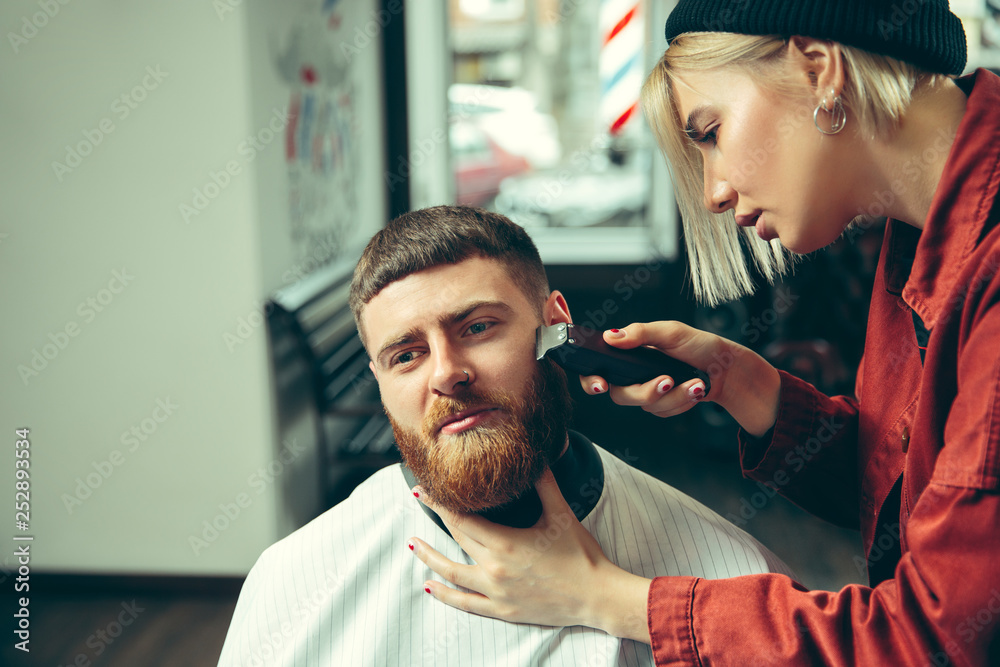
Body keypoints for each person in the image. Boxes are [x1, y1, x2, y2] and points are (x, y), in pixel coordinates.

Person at [409, 1, 1000, 666]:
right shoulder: (913, 239)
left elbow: (934, 643)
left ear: (820, 70)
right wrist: (745, 383)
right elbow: (923, 501)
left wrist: (604, 596)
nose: (714, 192)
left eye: (710, 130)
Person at [216, 206, 793, 667]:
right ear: (379, 378)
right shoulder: (291, 584)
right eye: (406, 355)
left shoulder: (734, 577)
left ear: (555, 322)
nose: (446, 373)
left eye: (478, 327)